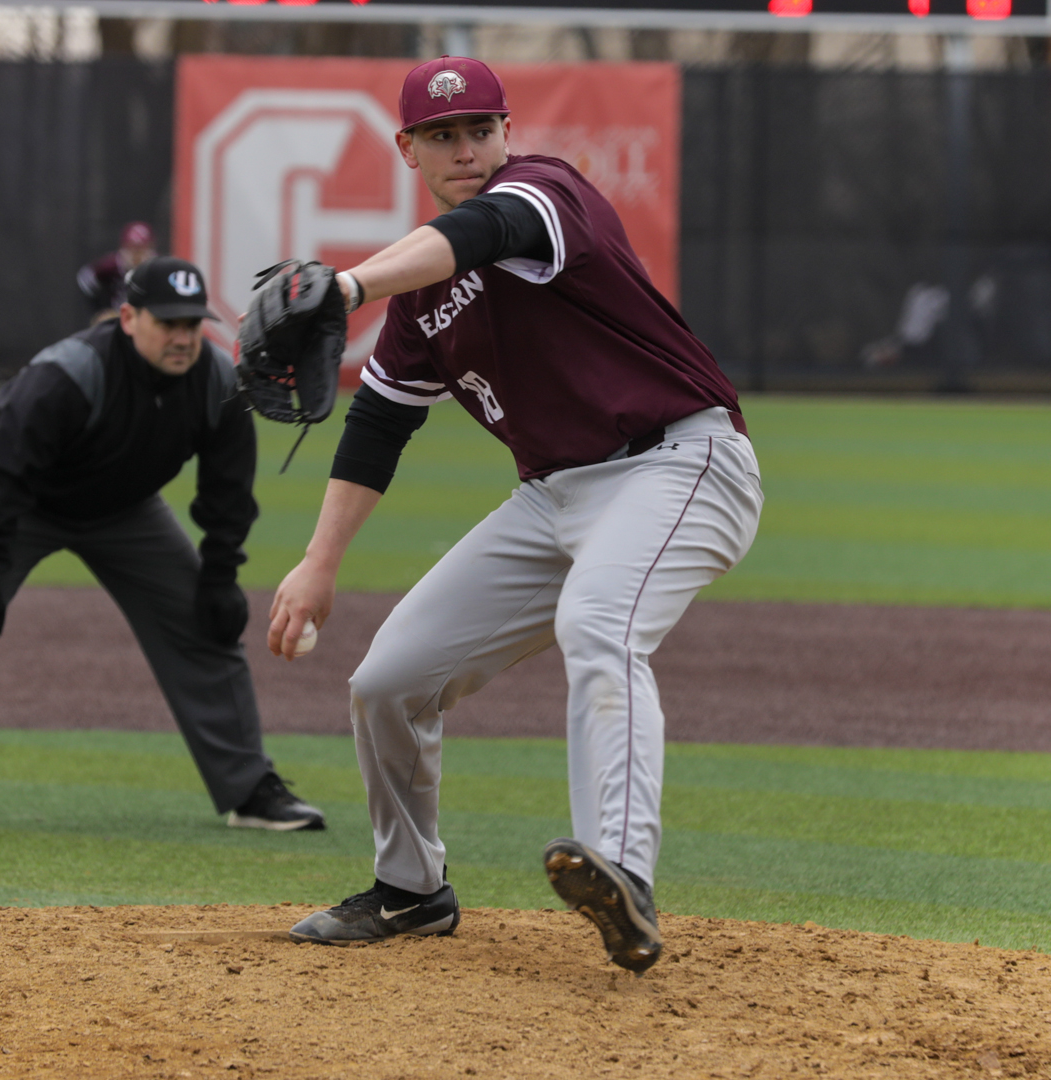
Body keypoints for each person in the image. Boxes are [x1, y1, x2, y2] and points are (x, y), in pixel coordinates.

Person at [266, 57, 763, 973]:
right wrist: (318, 562)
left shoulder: (543, 191)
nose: (467, 148)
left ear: (506, 131)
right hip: (554, 496)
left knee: (598, 621)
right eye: (444, 135)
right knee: (389, 682)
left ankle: (624, 874)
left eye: (481, 128)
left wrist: (344, 288)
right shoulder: (418, 291)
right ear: (407, 147)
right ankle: (412, 891)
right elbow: (379, 423)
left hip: (682, 462)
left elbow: (486, 228)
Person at [0, 255, 324, 838]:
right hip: (22, 504)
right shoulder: (70, 373)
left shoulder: (216, 380)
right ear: (129, 317)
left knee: (204, 620)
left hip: (124, 511)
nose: (183, 337)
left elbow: (227, 490)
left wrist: (220, 573)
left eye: (192, 324)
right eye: (168, 323)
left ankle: (249, 788)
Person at [77, 222, 158, 324]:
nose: (137, 255)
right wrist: (100, 309)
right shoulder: (111, 266)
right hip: (116, 317)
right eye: (132, 249)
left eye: (142, 250)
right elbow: (86, 278)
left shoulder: (156, 268)